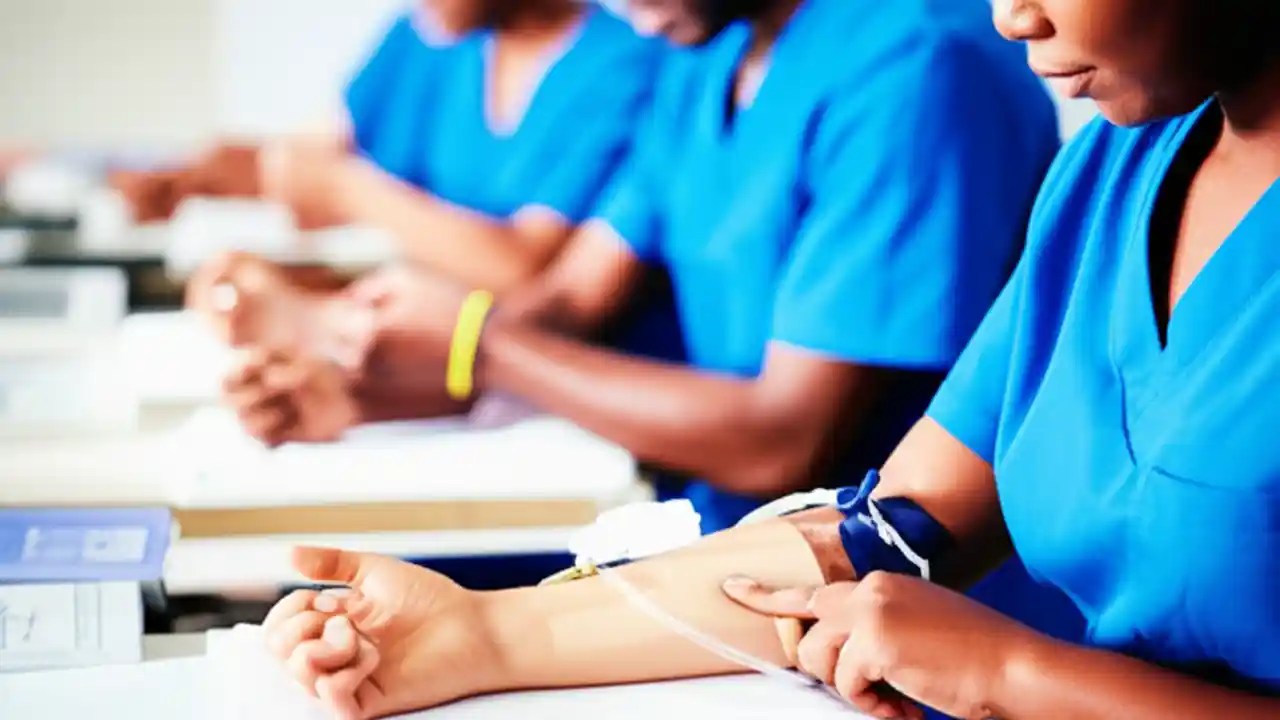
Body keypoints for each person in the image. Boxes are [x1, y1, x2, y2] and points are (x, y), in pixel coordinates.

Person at [259, 0, 1280, 717]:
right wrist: (478, 635)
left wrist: (1016, 675)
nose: (1011, 15)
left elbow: (788, 444)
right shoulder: (1115, 163)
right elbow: (895, 529)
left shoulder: (914, 62)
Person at [219, 0, 1059, 536]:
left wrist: (484, 348)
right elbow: (570, 301)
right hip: (729, 539)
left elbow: (787, 440)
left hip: (904, 584)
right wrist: (367, 391)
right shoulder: (703, 52)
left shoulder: (914, 67)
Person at [124, 0, 663, 292]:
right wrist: (183, 181)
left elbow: (521, 267)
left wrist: (344, 189)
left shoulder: (623, 61)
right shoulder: (424, 36)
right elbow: (308, 157)